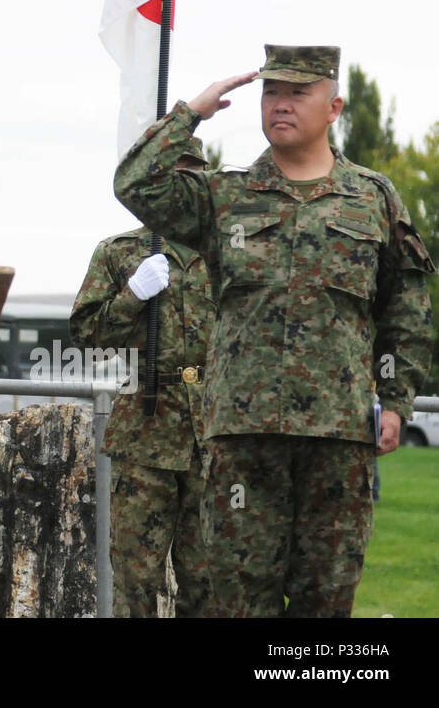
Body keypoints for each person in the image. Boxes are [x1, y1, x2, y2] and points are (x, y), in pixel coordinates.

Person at [113, 45, 434, 617]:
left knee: (326, 599)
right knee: (237, 599)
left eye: (296, 93)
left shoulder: (372, 197)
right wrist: (192, 112)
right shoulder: (224, 195)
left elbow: (404, 307)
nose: (279, 105)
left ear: (333, 107)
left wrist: (395, 400)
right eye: (270, 92)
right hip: (242, 434)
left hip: (336, 436)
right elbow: (135, 184)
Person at [71, 140, 216, 617]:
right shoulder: (120, 252)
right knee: (136, 577)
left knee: (211, 579)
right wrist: (133, 294)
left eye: (190, 178)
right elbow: (87, 334)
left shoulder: (226, 254)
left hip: (215, 435)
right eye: (170, 180)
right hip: (146, 430)